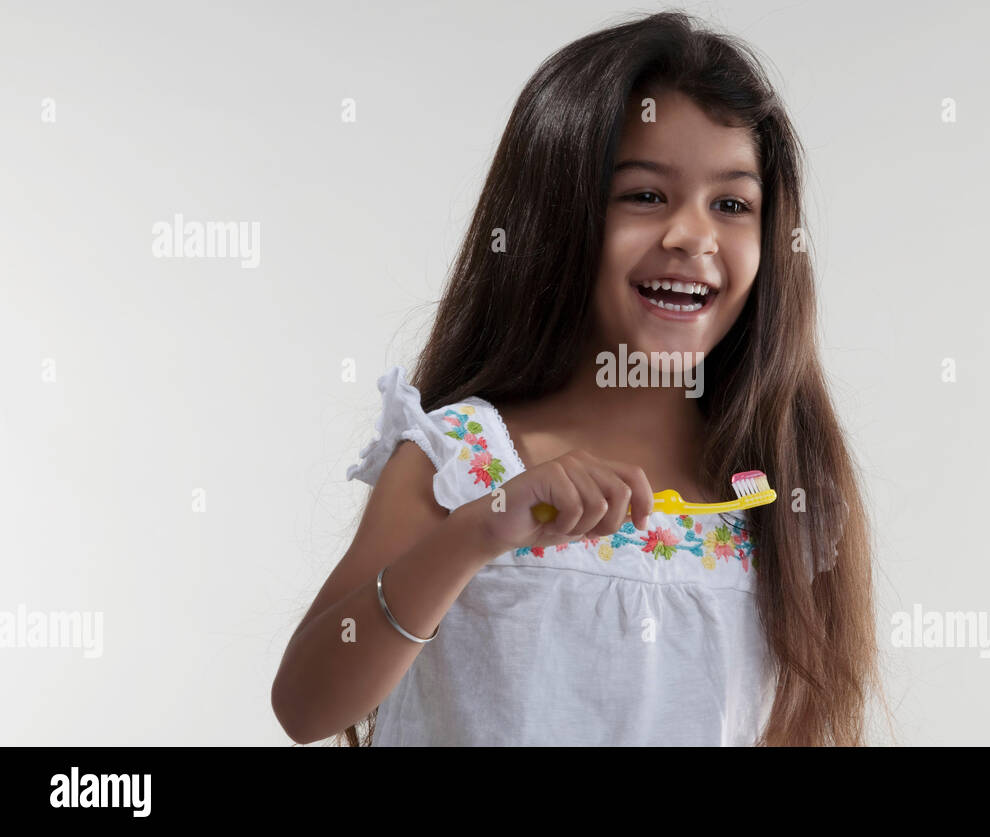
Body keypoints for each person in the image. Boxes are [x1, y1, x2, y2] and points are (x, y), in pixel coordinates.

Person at [271, 10, 888, 746]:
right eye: (645, 195)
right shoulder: (464, 460)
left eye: (732, 204)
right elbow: (305, 705)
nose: (693, 234)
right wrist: (479, 531)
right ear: (554, 221)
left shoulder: (777, 491)